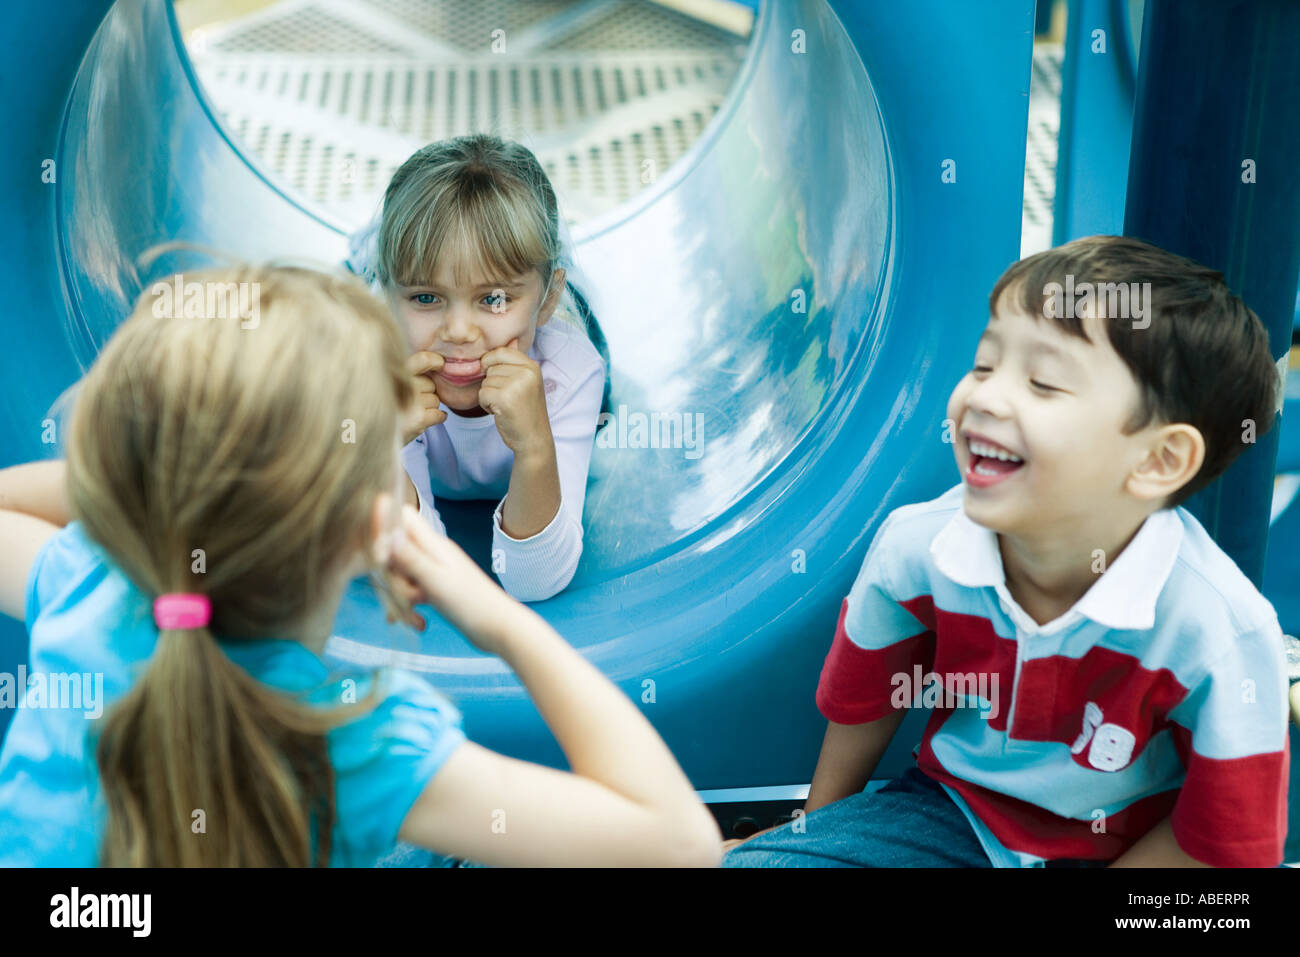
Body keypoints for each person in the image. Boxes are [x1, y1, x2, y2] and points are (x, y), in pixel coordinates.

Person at [0, 264, 719, 867]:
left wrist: (164, 479)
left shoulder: (88, 585)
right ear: (367, 527)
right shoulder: (353, 737)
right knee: (437, 845)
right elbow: (682, 842)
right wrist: (495, 617)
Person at [725, 235, 1289, 867]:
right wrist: (815, 840)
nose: (986, 397)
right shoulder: (922, 550)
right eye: (986, 365)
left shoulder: (1217, 631)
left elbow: (1222, 842)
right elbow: (865, 698)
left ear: (1158, 459)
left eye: (1043, 382)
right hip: (955, 814)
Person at [347, 134, 606, 602]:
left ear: (545, 299)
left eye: (494, 298)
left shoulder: (569, 370)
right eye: (426, 297)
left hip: (556, 321)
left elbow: (537, 582)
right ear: (391, 299)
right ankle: (374, 267)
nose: (460, 331)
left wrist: (534, 449)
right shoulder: (371, 368)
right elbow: (417, 573)